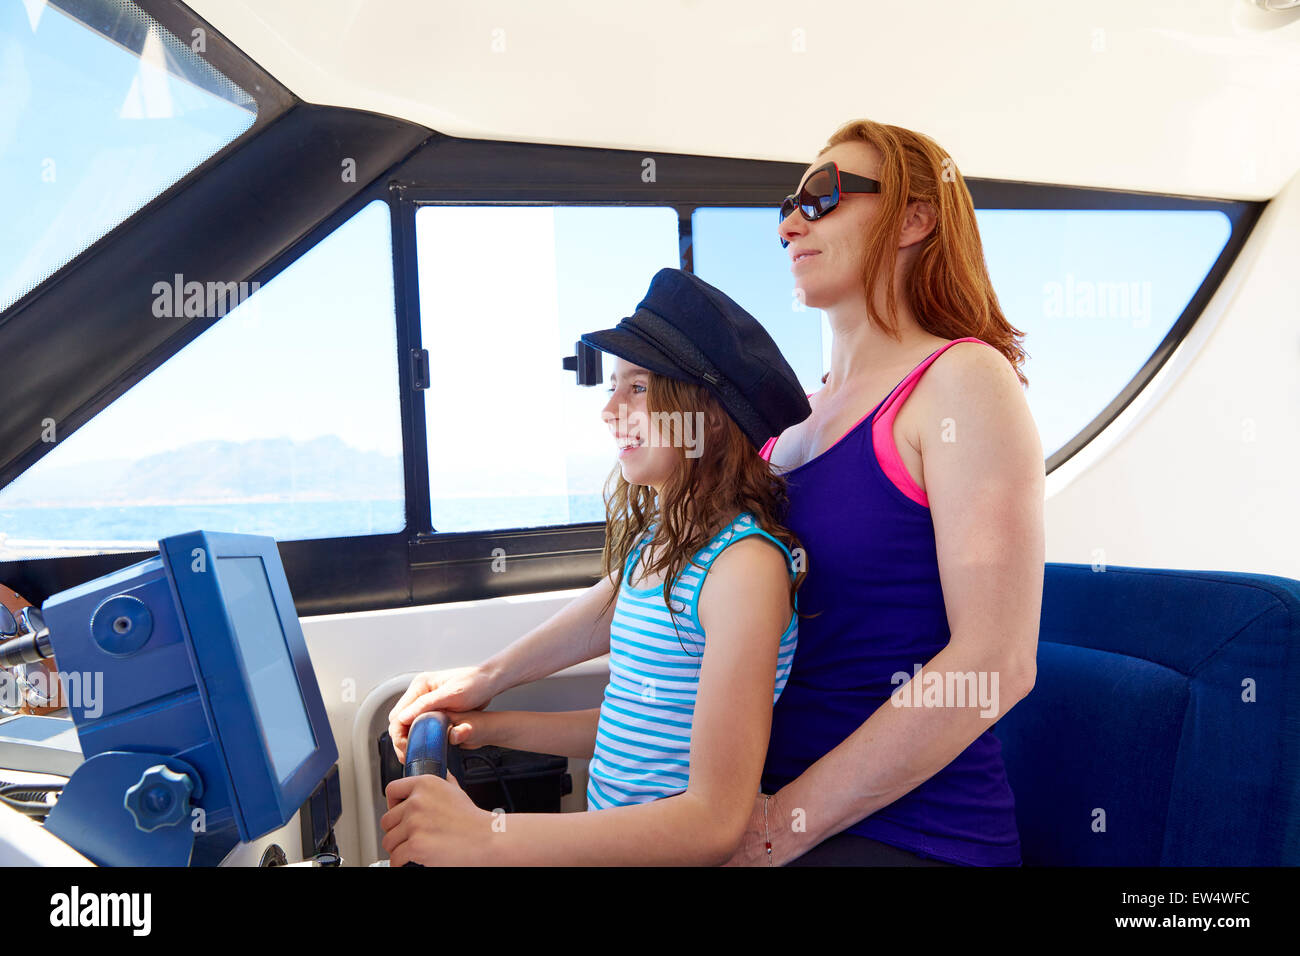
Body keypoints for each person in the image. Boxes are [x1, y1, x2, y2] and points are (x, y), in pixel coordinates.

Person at [382, 268, 811, 865]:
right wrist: (487, 717)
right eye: (614, 387)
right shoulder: (657, 546)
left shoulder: (742, 570)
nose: (610, 409)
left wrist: (485, 836)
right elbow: (632, 727)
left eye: (638, 388)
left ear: (708, 417)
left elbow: (715, 821)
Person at [725, 119, 1045, 866]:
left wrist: (781, 827)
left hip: (907, 835)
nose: (790, 222)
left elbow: (996, 661)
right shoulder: (789, 419)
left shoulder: (964, 381)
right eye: (788, 205)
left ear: (914, 218)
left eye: (823, 195)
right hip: (767, 805)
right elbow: (670, 570)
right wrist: (490, 681)